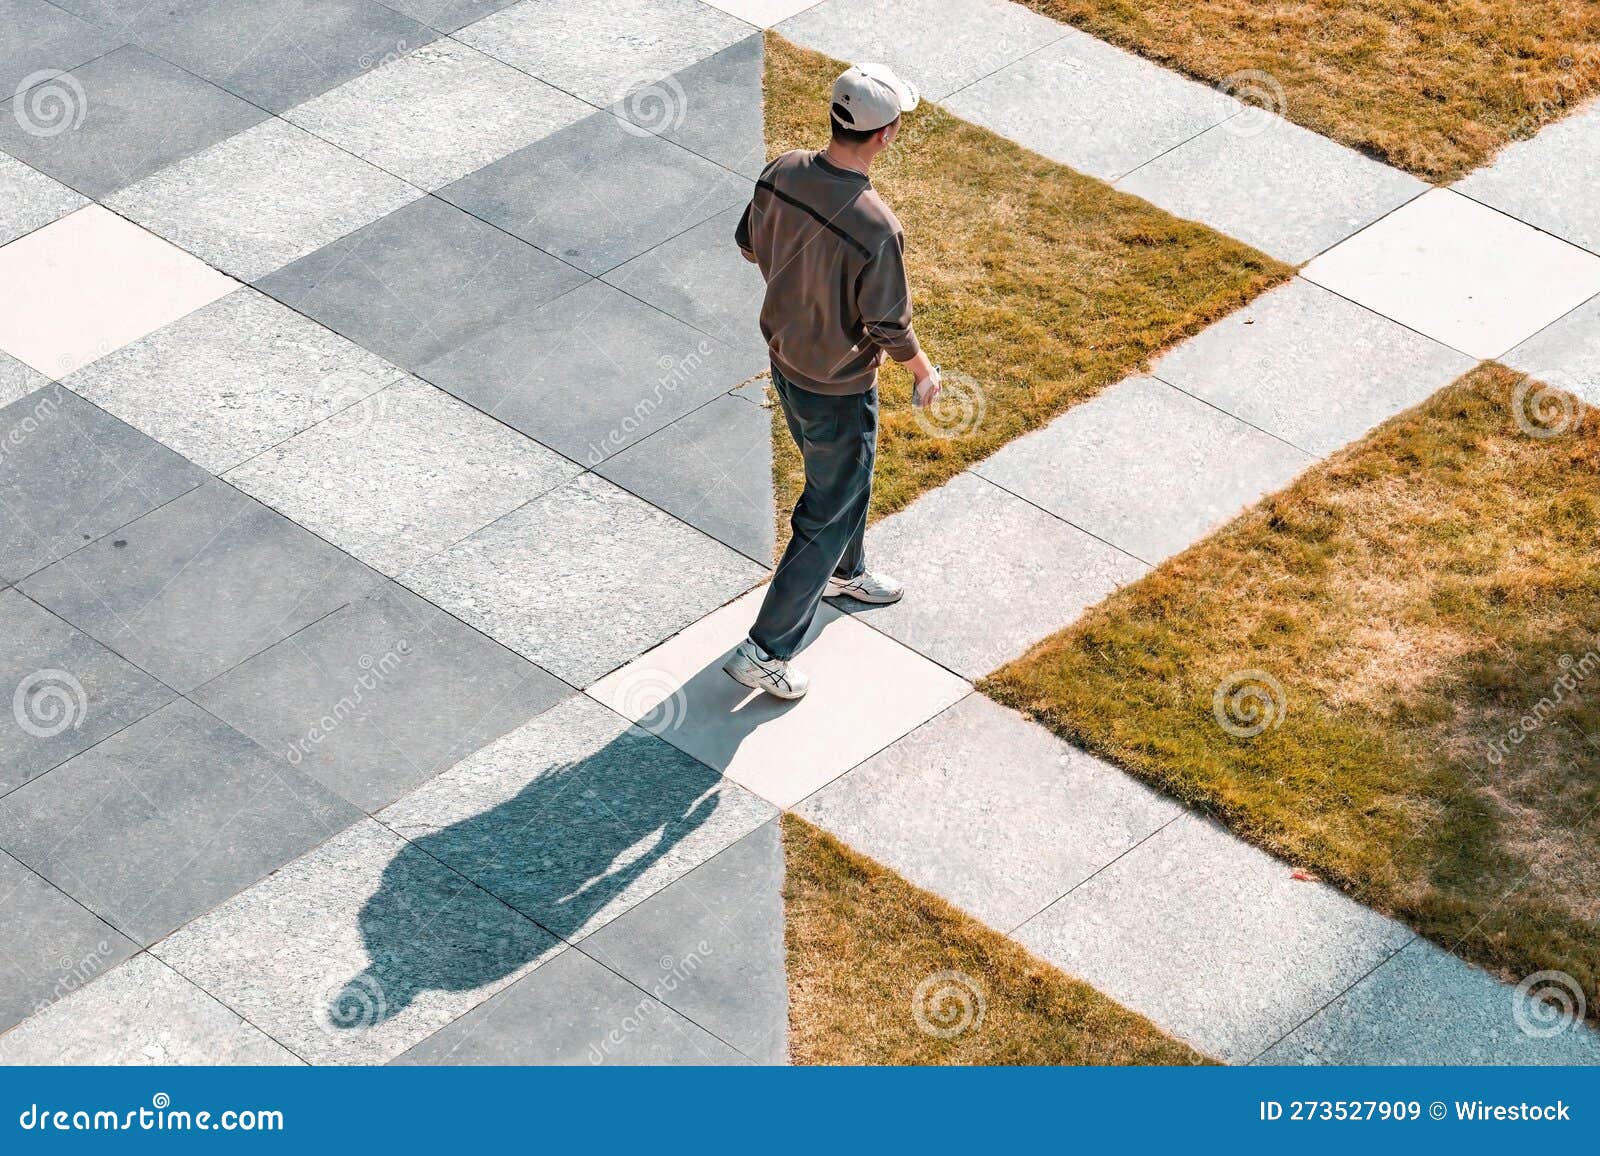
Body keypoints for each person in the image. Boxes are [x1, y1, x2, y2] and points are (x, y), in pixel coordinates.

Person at [724, 61, 941, 700]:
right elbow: (887, 323)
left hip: (785, 361)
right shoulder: (876, 225)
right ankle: (765, 649)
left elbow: (746, 243)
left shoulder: (783, 170)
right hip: (836, 386)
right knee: (828, 505)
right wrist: (924, 375)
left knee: (846, 481)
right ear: (885, 134)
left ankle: (847, 571)